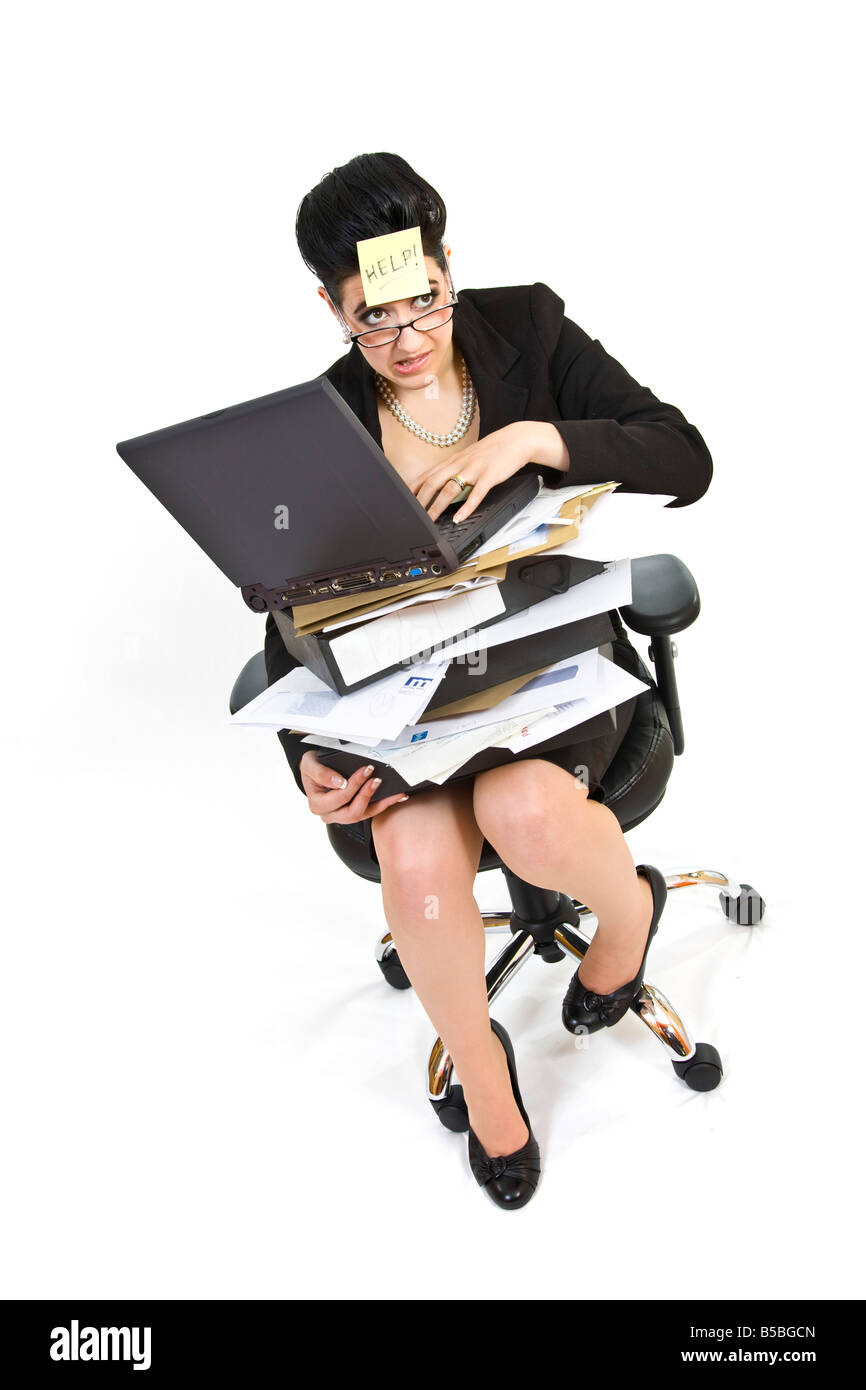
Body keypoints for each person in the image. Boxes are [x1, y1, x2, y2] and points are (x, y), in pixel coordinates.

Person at [263, 152, 713, 1210]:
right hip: (408, 706)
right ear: (328, 306)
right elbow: (292, 616)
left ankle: (625, 919)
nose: (410, 338)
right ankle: (485, 1078)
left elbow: (683, 457)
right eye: (373, 319)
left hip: (544, 670)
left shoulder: (528, 333)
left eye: (424, 298)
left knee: (526, 815)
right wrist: (304, 755)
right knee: (416, 871)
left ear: (446, 264)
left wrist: (533, 438)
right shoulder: (317, 425)